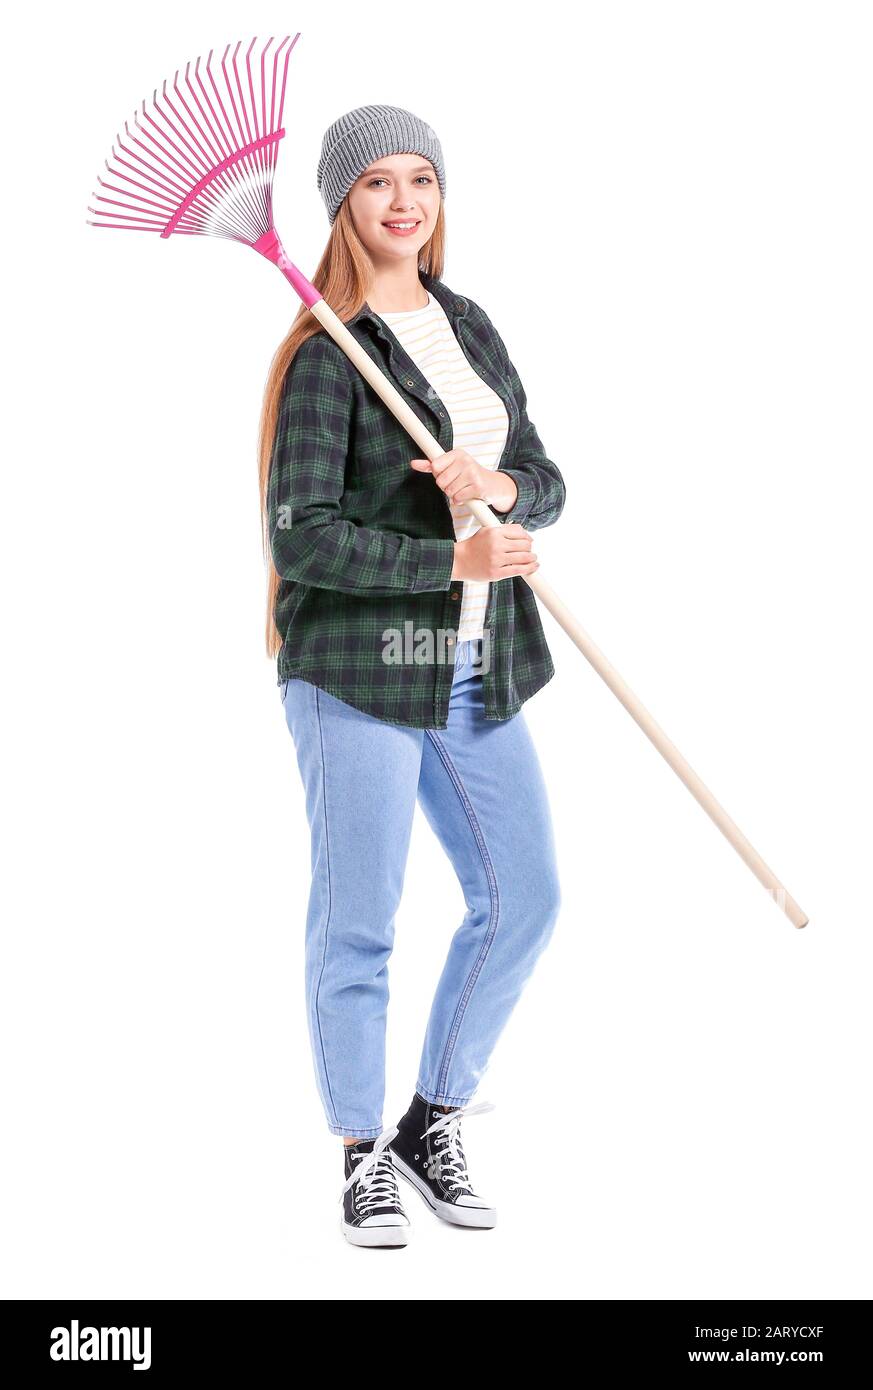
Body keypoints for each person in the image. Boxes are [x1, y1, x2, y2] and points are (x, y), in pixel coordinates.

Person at [257, 105, 566, 1248]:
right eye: (378, 182)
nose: (404, 202)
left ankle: (432, 1116)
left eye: (422, 179)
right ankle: (359, 1155)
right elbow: (305, 538)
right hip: (359, 664)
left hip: (476, 658)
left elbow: (543, 471)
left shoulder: (468, 325)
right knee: (361, 921)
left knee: (524, 894)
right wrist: (452, 554)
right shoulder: (324, 346)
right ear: (345, 204)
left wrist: (505, 490)